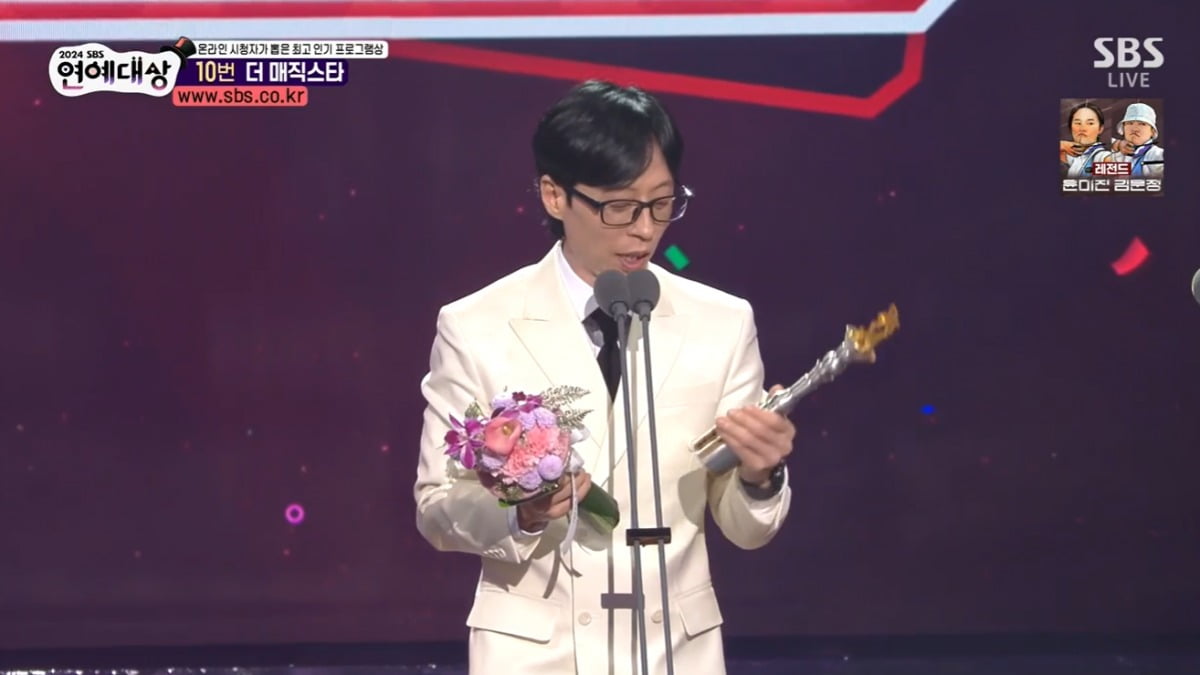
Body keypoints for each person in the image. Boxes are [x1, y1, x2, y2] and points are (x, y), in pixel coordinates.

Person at [414, 79, 795, 675]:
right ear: (554, 195)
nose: (646, 229)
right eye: (620, 207)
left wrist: (760, 477)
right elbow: (438, 510)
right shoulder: (477, 325)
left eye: (663, 203)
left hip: (674, 651)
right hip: (535, 655)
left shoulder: (722, 323)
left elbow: (745, 530)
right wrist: (523, 514)